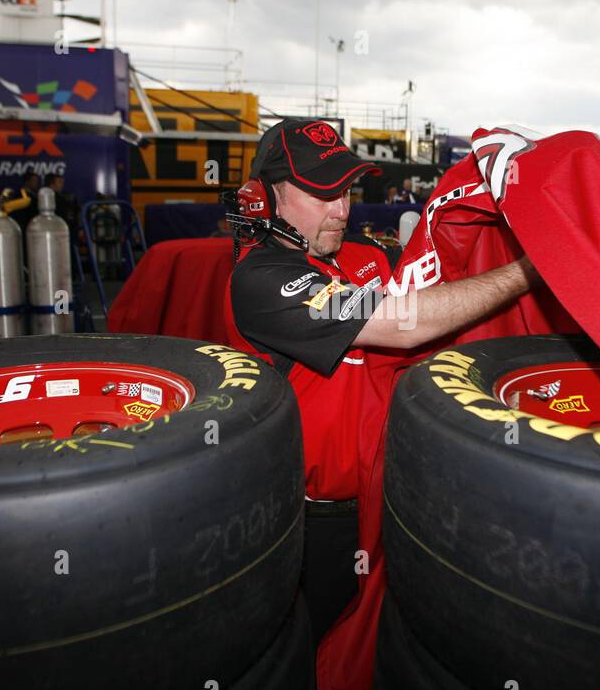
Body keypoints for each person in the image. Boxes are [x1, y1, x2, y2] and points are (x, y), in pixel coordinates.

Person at [226, 118, 540, 501]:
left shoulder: (366, 251)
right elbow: (403, 323)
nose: (342, 211)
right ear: (266, 197)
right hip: (307, 512)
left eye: (346, 192)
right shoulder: (259, 281)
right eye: (324, 196)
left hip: (386, 486)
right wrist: (528, 270)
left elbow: (446, 283)